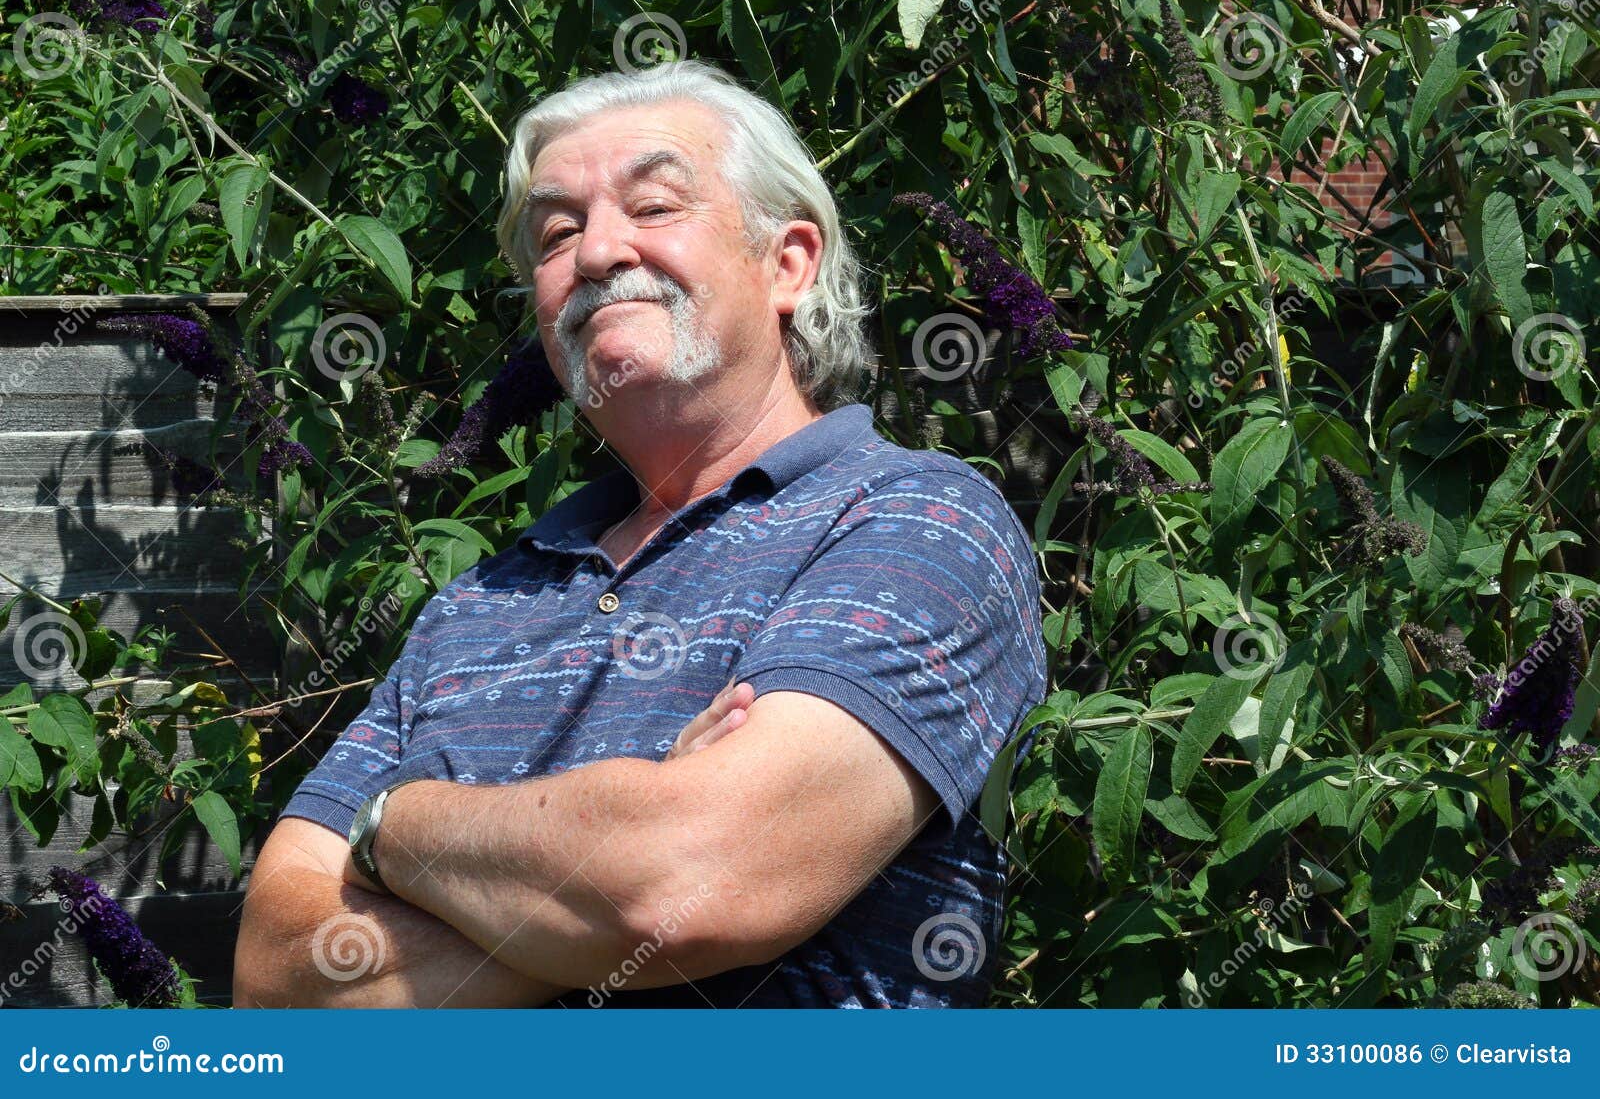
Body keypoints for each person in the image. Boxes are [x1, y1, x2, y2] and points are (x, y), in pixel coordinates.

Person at [232, 59, 1046, 1009]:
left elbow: (684, 883)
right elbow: (280, 972)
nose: (594, 252)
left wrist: (390, 831)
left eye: (654, 206)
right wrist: (611, 855)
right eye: (556, 231)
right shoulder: (473, 606)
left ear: (787, 262)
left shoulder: (914, 520)